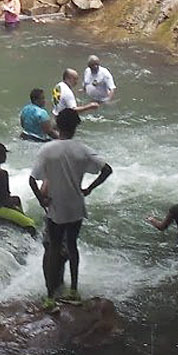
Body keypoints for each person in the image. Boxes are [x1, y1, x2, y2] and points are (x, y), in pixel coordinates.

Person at [29, 108, 112, 309]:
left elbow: (32, 180)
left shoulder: (47, 150)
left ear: (57, 125)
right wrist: (89, 188)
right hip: (76, 206)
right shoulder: (82, 149)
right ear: (75, 127)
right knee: (72, 246)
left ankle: (50, 298)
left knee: (54, 250)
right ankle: (74, 291)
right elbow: (107, 170)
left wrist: (41, 200)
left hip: (56, 208)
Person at [0, 142, 38, 232]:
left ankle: (18, 222)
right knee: (30, 223)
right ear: (1, 157)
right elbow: (5, 199)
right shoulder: (2, 174)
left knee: (16, 200)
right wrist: (16, 210)